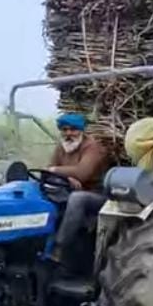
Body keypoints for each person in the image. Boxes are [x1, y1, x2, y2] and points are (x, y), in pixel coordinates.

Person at [47, 112, 110, 270]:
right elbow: (48, 173)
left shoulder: (92, 147)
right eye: (65, 130)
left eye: (73, 129)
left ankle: (59, 248)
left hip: (97, 195)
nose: (69, 134)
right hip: (68, 189)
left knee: (77, 198)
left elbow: (82, 173)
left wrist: (56, 170)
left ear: (81, 130)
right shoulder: (61, 147)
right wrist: (67, 177)